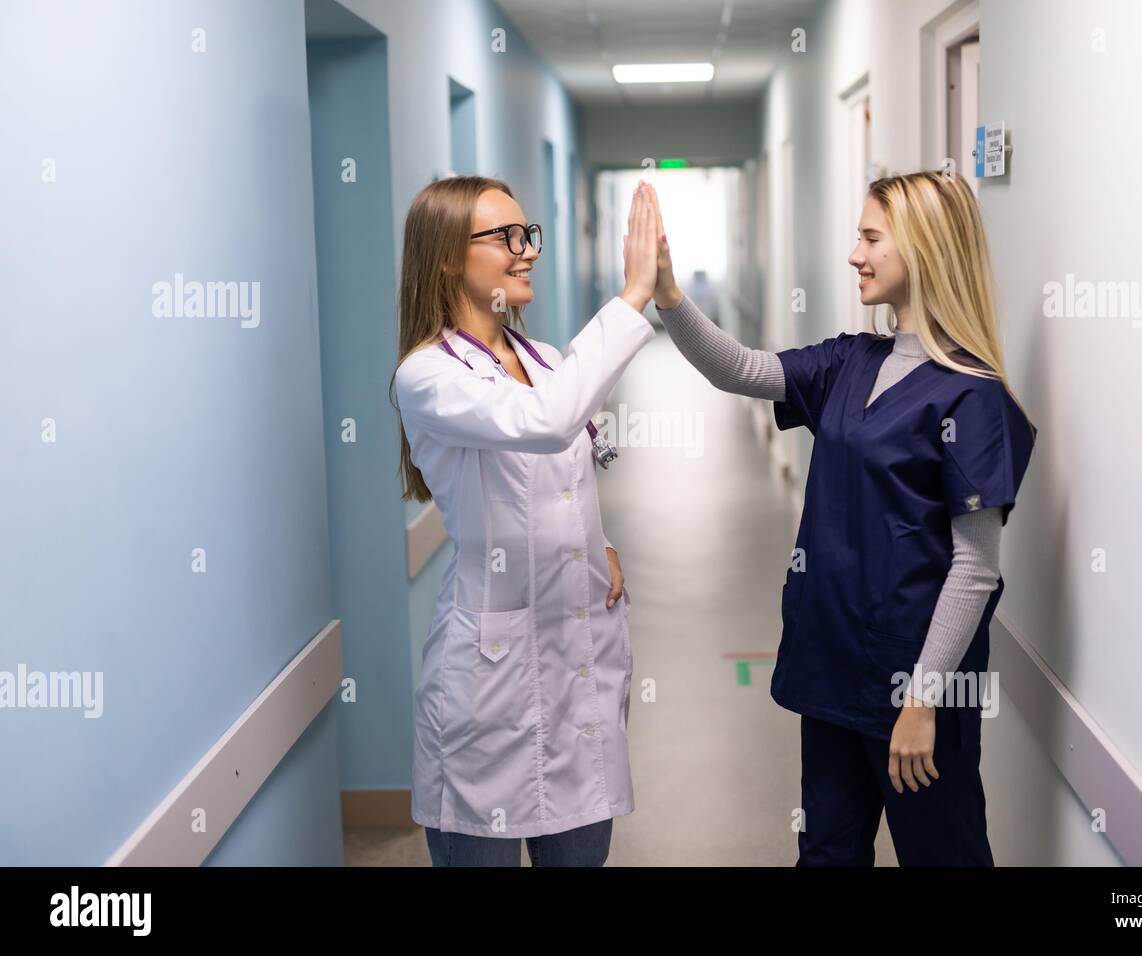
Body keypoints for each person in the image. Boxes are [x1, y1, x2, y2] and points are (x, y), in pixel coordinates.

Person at [643, 172, 1037, 866]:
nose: (854, 254)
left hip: (915, 686)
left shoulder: (972, 398)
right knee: (826, 853)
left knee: (943, 856)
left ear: (924, 248)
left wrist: (921, 702)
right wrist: (668, 295)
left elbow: (975, 569)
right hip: (831, 671)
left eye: (870, 237)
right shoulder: (852, 360)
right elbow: (737, 368)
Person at [390, 175, 660, 866]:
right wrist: (633, 296)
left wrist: (594, 542)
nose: (526, 251)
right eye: (505, 237)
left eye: (527, 233)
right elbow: (544, 425)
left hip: (578, 673)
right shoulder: (428, 376)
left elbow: (558, 476)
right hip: (489, 685)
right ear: (448, 256)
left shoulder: (541, 360)